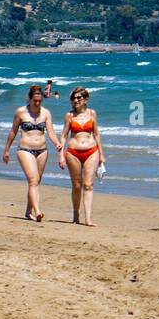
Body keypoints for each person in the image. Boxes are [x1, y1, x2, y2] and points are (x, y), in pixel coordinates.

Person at [3, 84, 63, 222]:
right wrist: (6, 150)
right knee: (33, 180)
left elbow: (51, 132)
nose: (37, 103)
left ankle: (28, 211)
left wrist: (57, 143)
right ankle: (37, 211)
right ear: (29, 99)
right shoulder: (20, 112)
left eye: (40, 101)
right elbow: (13, 131)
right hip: (25, 149)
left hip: (42, 151)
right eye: (35, 100)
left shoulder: (46, 113)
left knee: (36, 182)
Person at [58, 86, 105, 227]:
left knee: (88, 185)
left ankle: (88, 218)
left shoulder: (92, 113)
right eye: (74, 98)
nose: (76, 100)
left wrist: (101, 154)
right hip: (73, 152)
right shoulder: (69, 115)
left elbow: (96, 134)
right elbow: (64, 136)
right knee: (77, 185)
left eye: (79, 98)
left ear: (86, 99)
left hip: (92, 151)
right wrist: (61, 155)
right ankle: (75, 214)